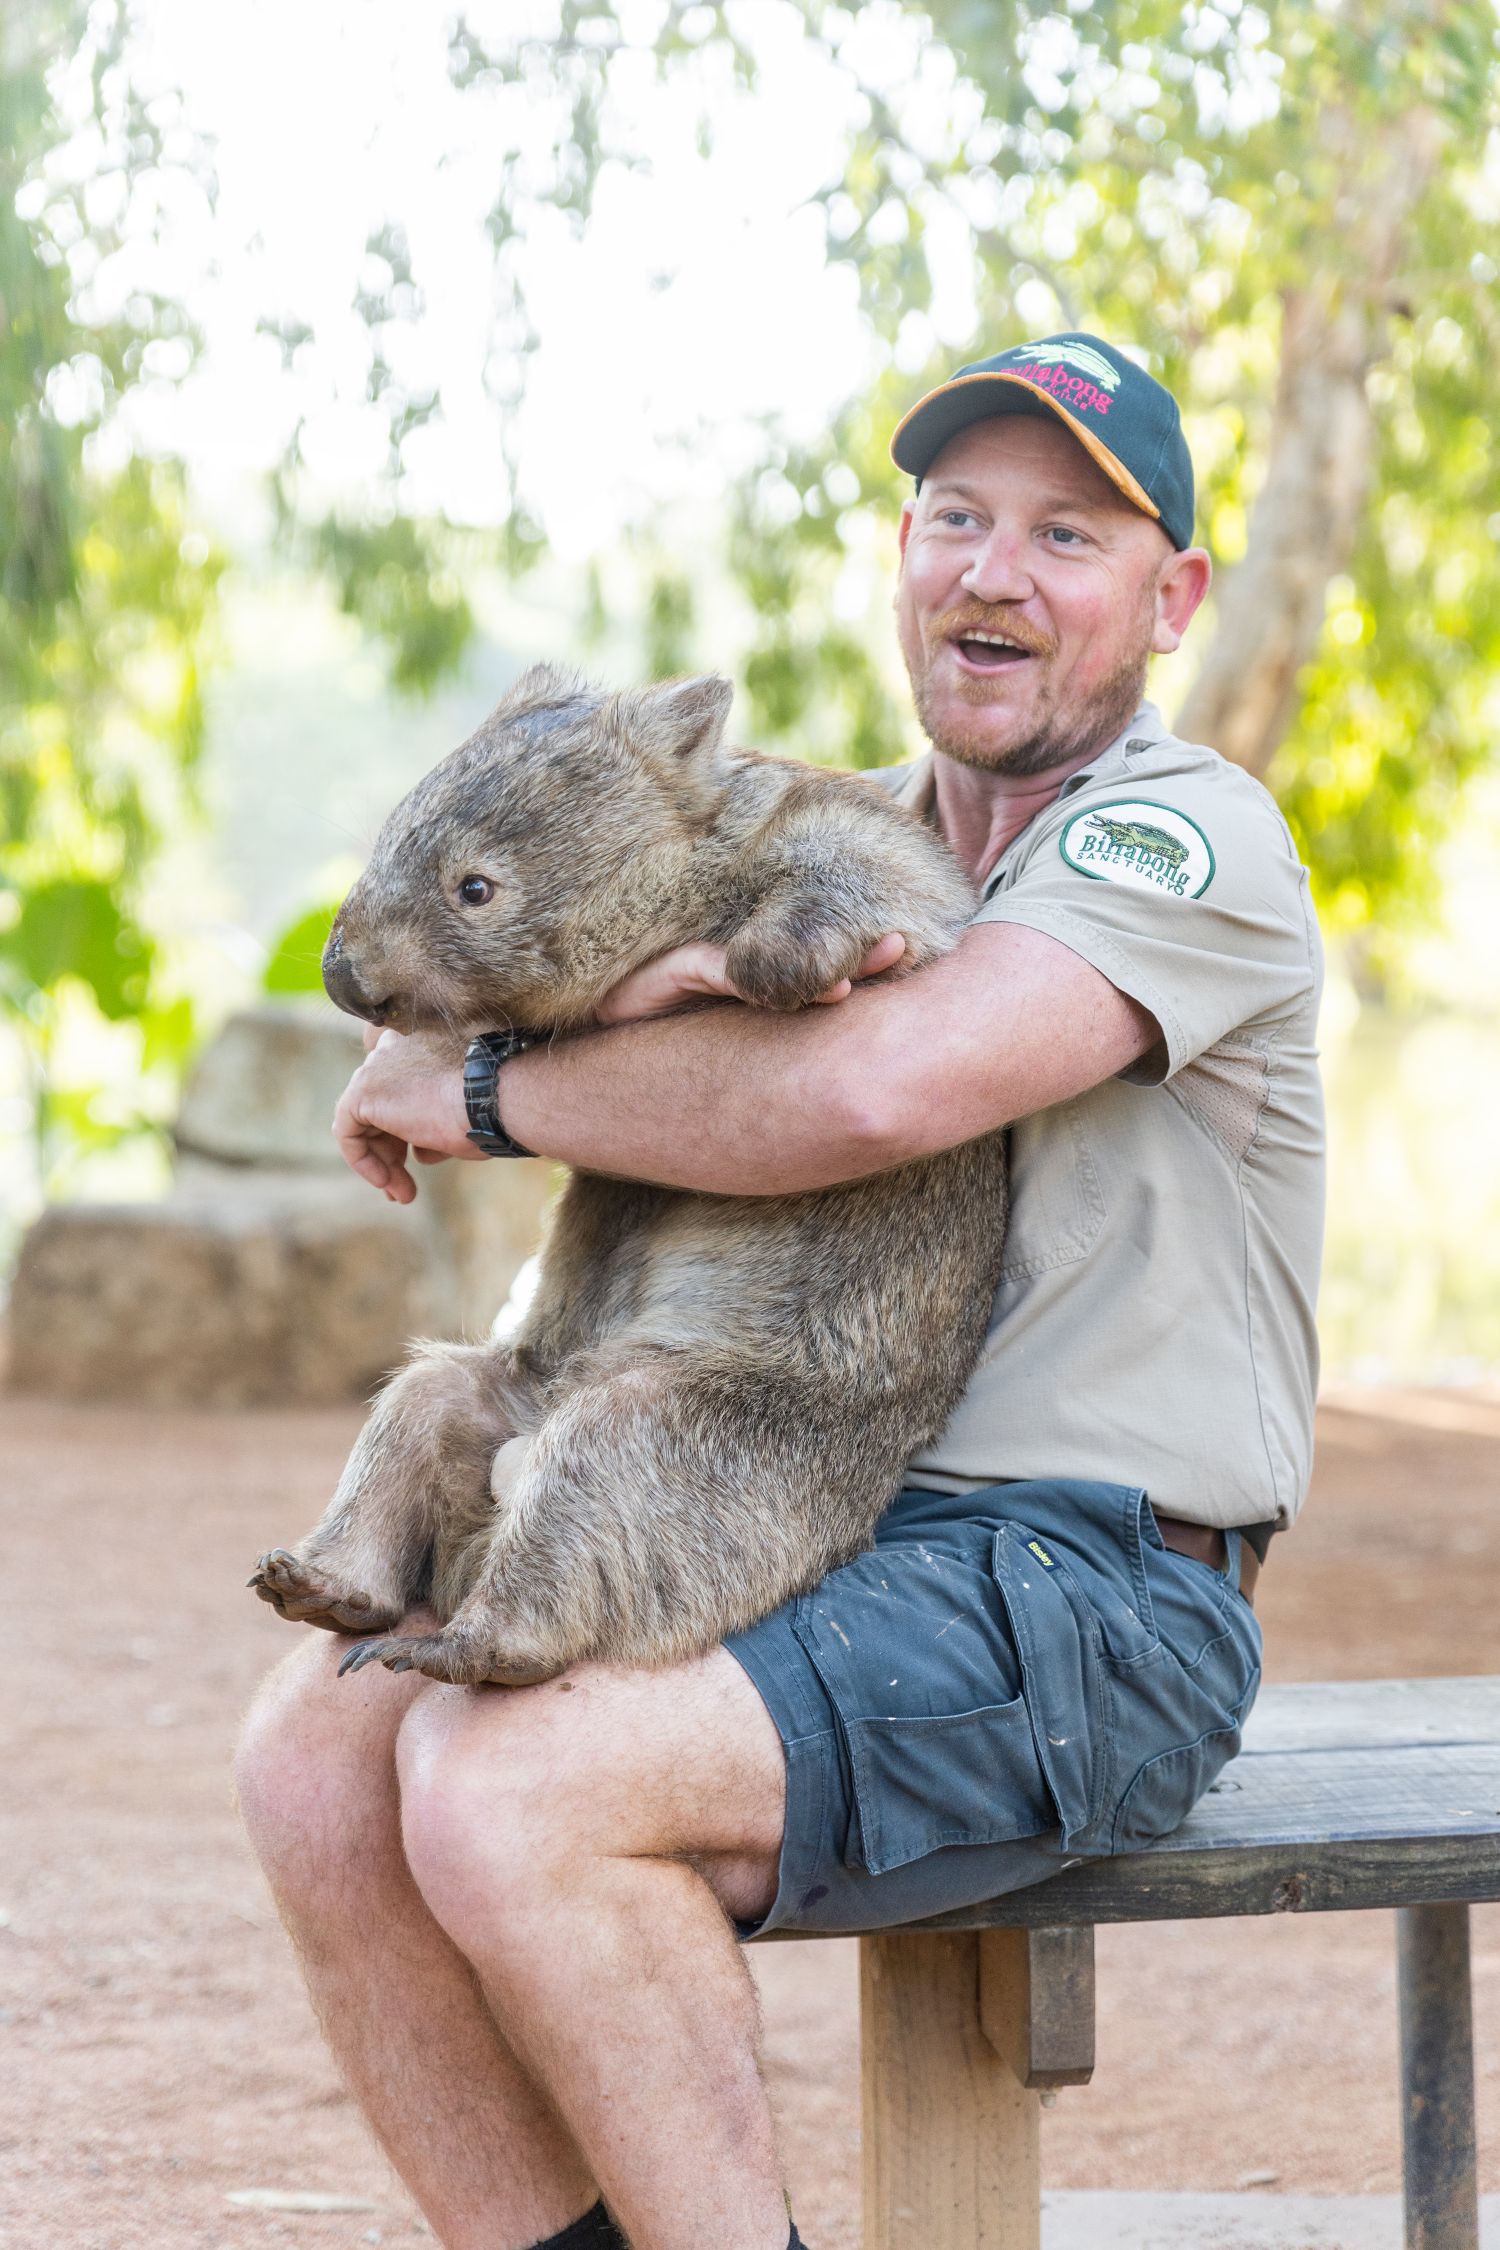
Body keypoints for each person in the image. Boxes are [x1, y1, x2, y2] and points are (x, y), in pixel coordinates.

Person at [236, 333, 1324, 2250]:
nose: (995, 569)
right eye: (959, 517)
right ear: (905, 554)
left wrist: (480, 1087)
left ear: (1170, 599)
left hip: (1091, 1588)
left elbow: (861, 1091)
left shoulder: (1182, 835)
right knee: (315, 1756)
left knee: (508, 1790)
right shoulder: (815, 824)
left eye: (1067, 534)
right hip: (828, 1520)